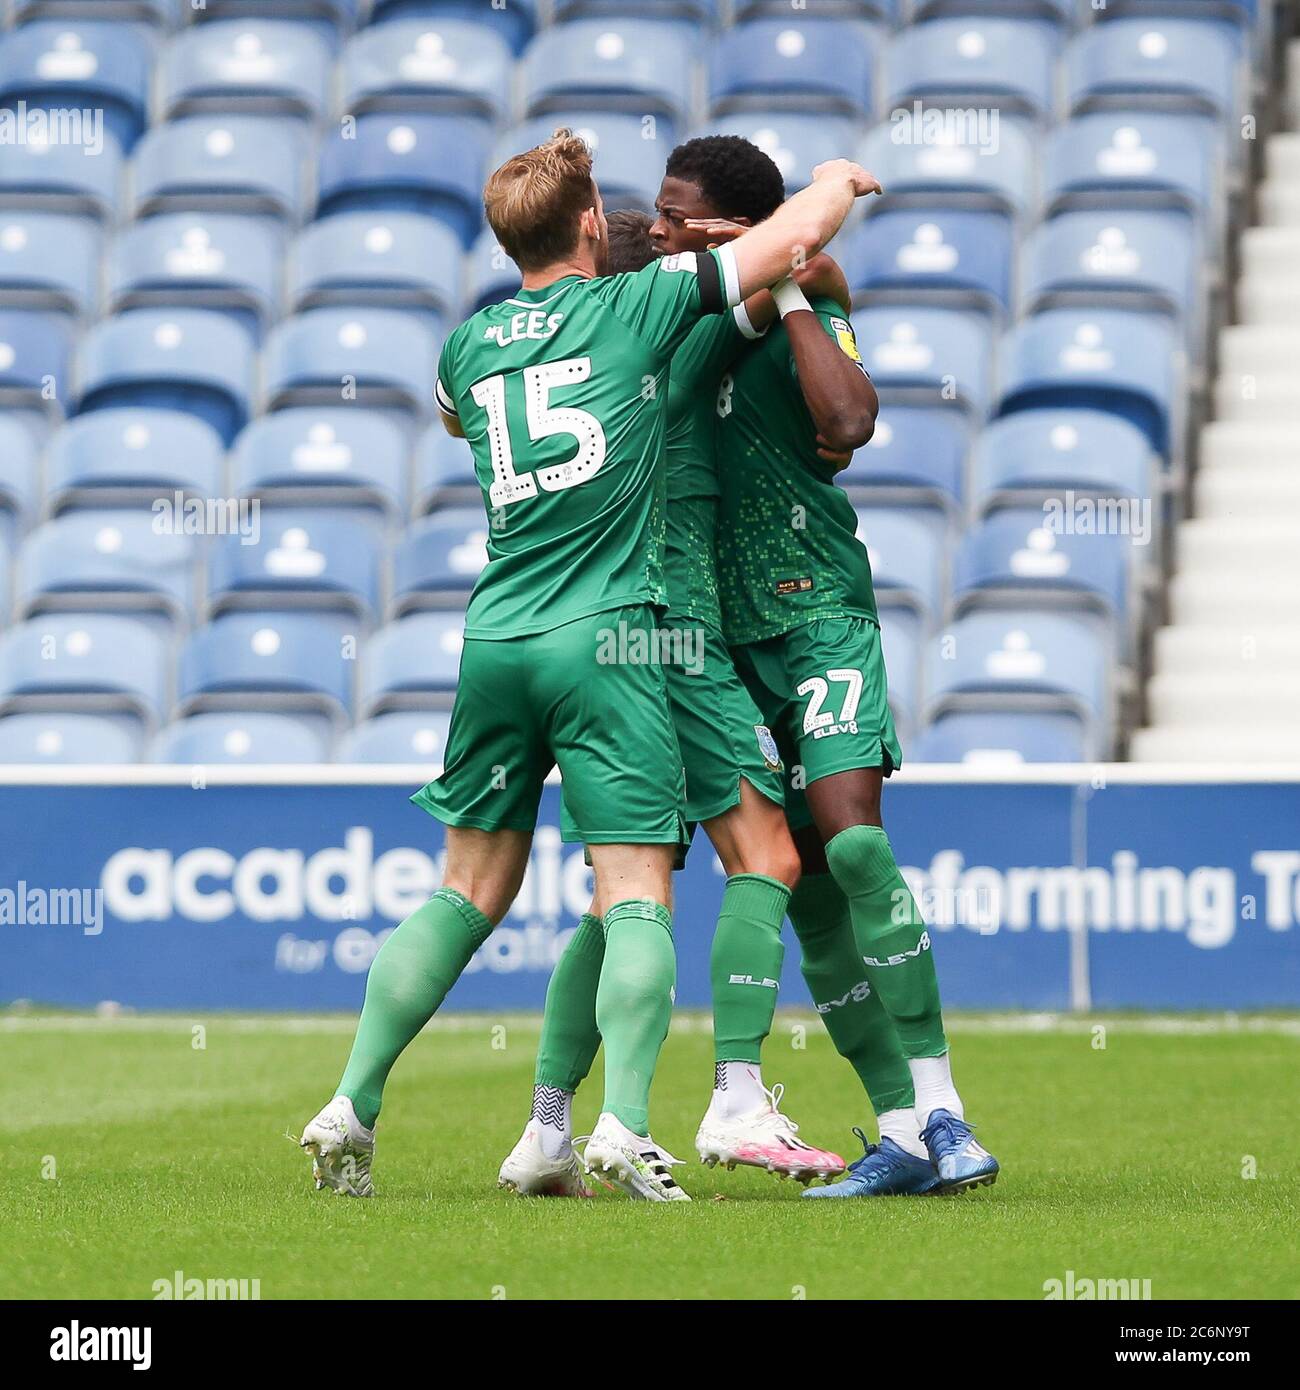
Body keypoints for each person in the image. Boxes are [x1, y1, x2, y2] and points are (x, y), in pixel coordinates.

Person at [298, 130, 884, 1202]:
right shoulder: (635, 310)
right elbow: (790, 242)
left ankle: (354, 1101)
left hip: (492, 636)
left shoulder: (464, 349)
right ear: (585, 226)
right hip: (610, 631)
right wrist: (837, 180)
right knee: (635, 890)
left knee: (464, 890)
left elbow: (455, 415)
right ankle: (627, 1120)